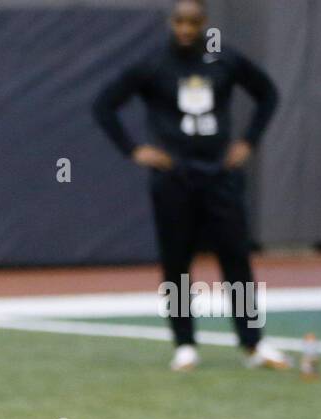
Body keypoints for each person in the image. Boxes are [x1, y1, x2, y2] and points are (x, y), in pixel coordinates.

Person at [92, 0, 289, 372]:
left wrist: (248, 141)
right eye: (180, 22)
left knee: (236, 259)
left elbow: (268, 93)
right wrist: (134, 150)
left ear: (205, 24)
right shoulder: (152, 64)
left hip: (219, 175)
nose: (185, 30)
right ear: (171, 22)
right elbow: (104, 105)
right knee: (176, 262)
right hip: (174, 178)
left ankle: (252, 343)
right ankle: (184, 344)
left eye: (193, 23)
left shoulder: (224, 59)